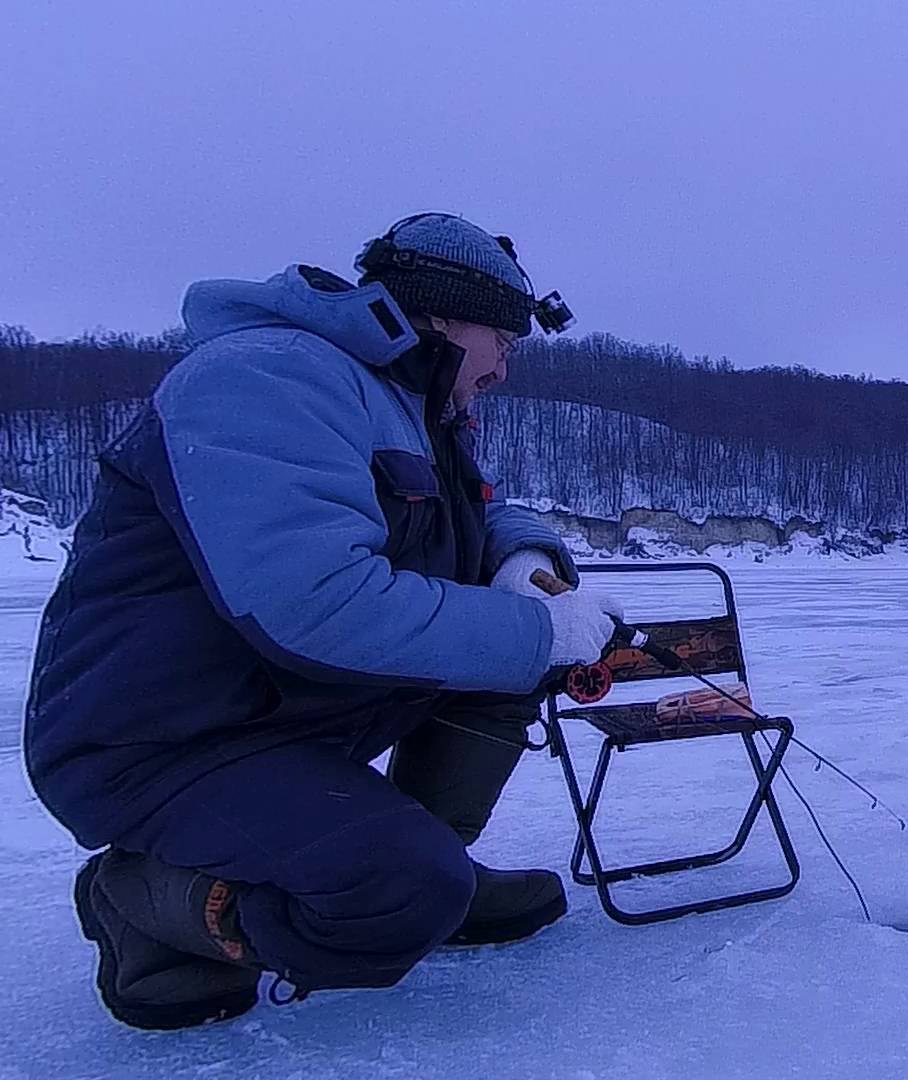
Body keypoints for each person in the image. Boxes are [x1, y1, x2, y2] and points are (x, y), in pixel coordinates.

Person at [23, 213, 627, 1030]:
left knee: (512, 662)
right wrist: (539, 633)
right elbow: (317, 601)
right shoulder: (266, 377)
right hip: (162, 741)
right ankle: (143, 900)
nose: (502, 369)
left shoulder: (407, 403)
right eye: (503, 342)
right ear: (445, 314)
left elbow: (470, 516)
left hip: (286, 713)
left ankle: (419, 858)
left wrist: (522, 560)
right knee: (401, 891)